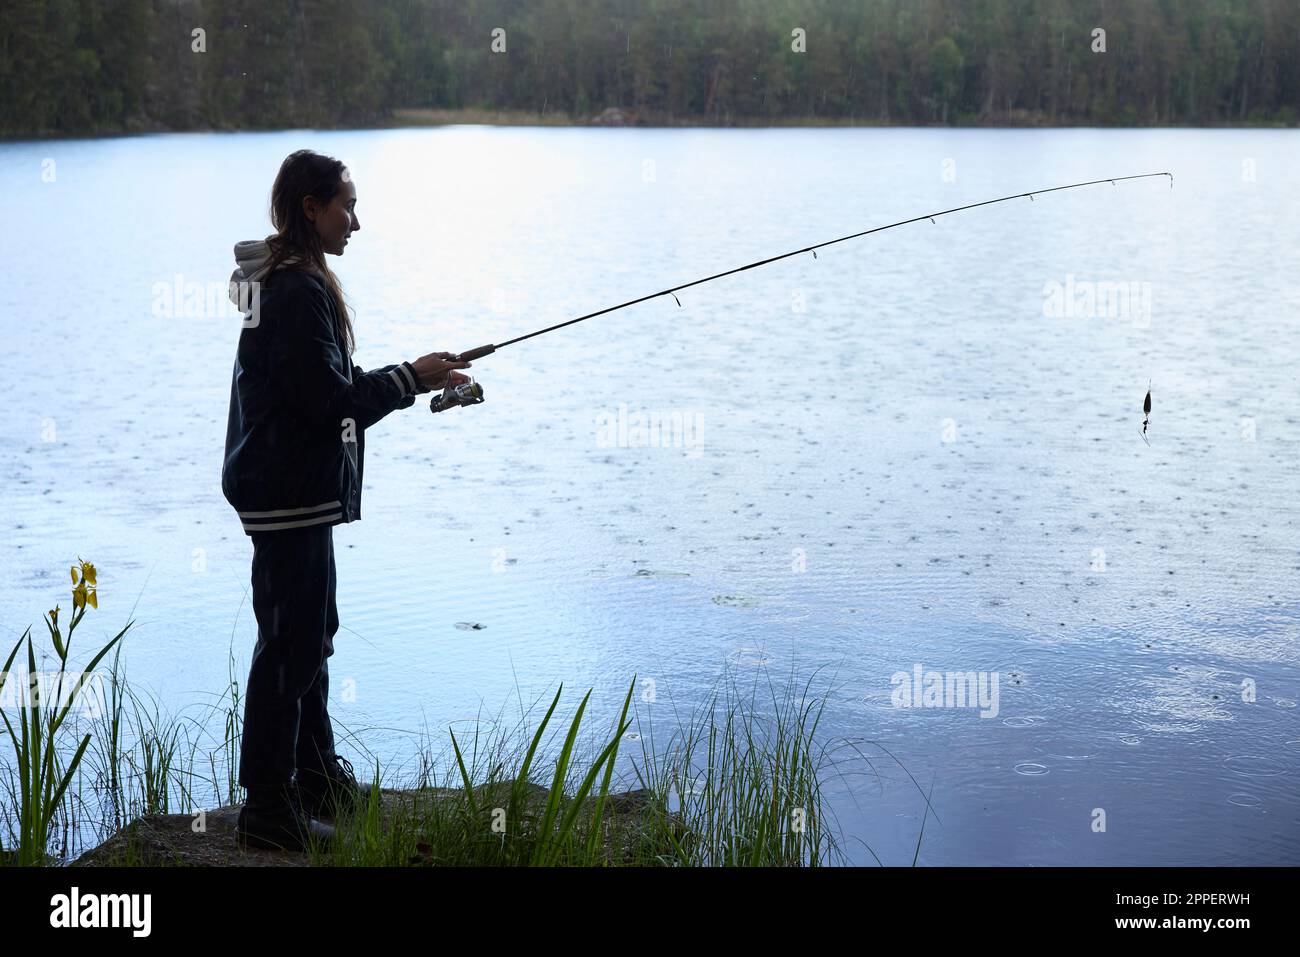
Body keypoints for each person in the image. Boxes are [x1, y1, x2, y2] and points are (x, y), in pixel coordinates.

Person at [221, 149, 472, 852]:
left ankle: (315, 779)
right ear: (311, 207)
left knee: (311, 634)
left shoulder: (295, 282)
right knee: (290, 645)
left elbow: (325, 384)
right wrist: (409, 377)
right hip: (286, 493)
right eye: (346, 206)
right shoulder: (296, 291)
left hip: (293, 493)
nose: (356, 222)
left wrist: (408, 376)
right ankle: (268, 811)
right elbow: (333, 402)